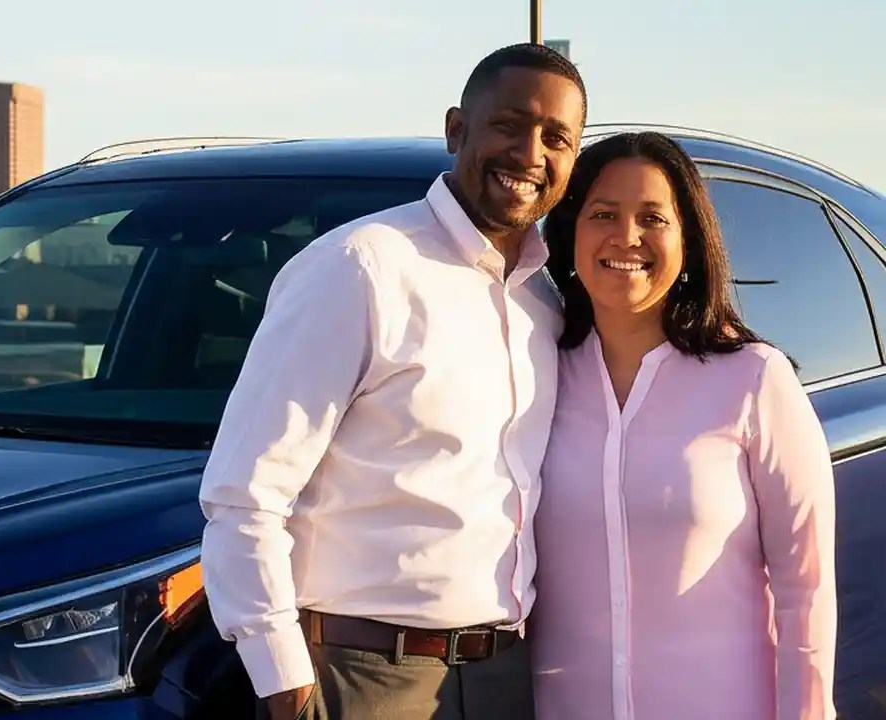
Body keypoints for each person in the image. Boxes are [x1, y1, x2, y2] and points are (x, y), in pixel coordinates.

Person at [198, 43, 587, 720]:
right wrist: (285, 683)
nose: (531, 153)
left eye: (557, 138)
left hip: (507, 678)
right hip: (361, 678)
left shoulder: (545, 304)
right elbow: (245, 494)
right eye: (508, 125)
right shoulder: (360, 269)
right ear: (456, 129)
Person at [531, 131, 838, 719]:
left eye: (652, 217)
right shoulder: (533, 372)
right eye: (602, 214)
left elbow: (807, 588)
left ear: (688, 239)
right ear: (568, 231)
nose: (626, 237)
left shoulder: (753, 379)